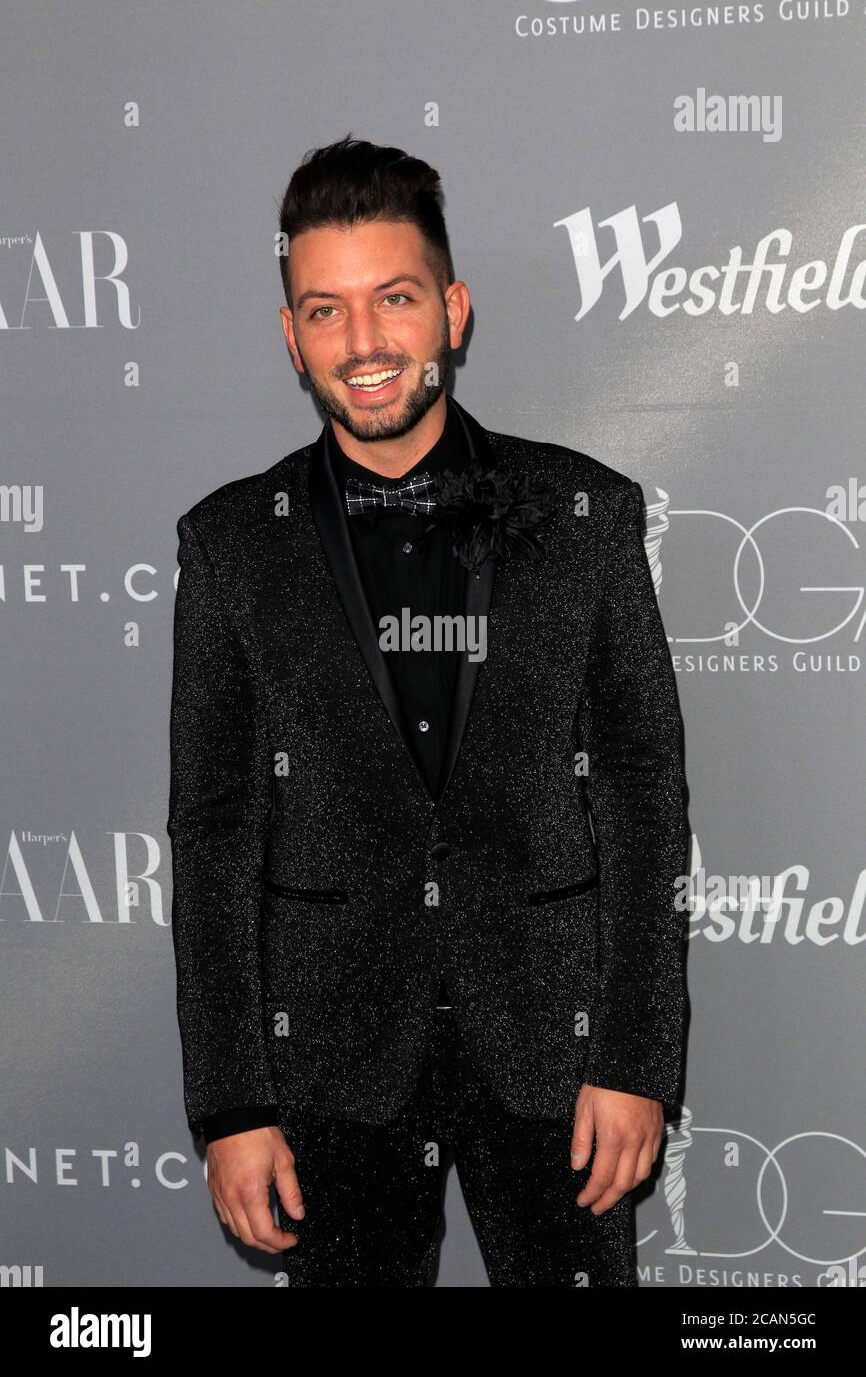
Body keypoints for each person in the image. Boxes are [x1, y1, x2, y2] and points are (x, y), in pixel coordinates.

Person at [167, 134, 692, 1287]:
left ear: (450, 310)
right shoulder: (226, 549)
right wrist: (230, 1102)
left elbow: (643, 795)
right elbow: (212, 836)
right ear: (291, 332)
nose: (361, 343)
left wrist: (636, 1056)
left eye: (392, 299)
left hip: (555, 1053)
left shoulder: (582, 516)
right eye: (324, 310)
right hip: (328, 1060)